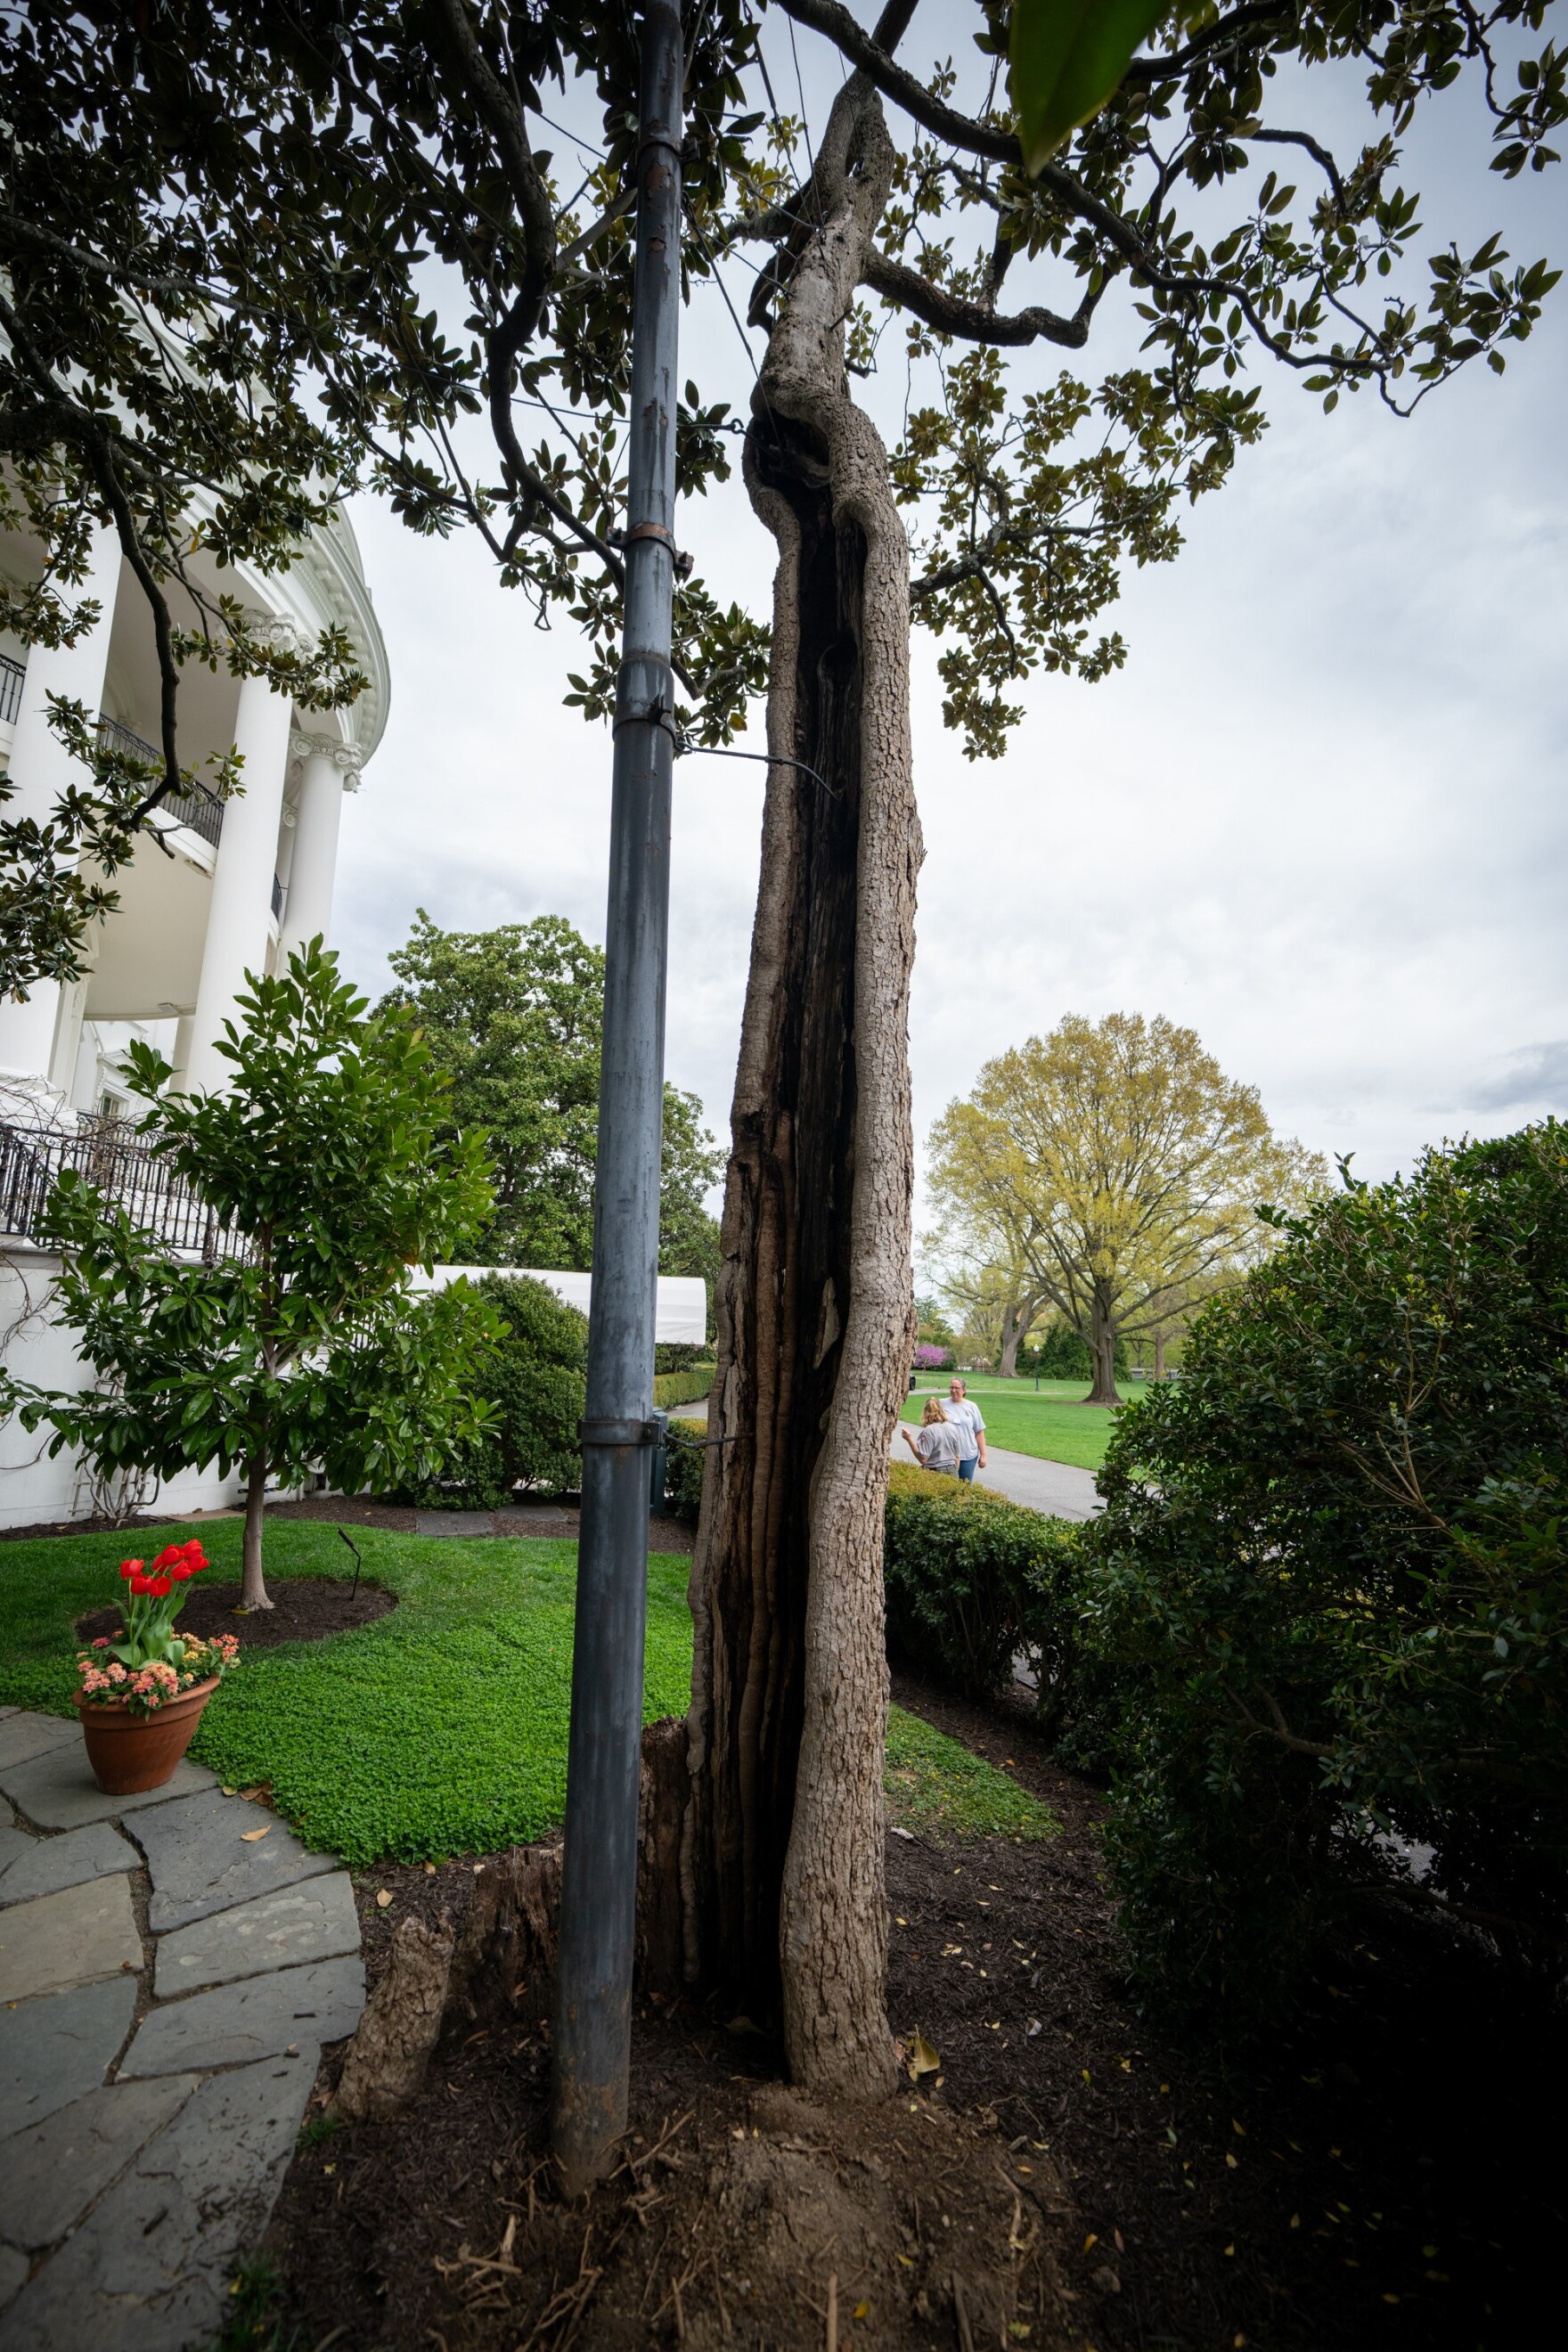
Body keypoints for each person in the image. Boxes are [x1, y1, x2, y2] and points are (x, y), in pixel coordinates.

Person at [902, 1394, 963, 1476]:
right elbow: (957, 1457)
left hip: (936, 1472)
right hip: (953, 1471)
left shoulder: (929, 1431)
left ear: (925, 1411)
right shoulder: (952, 1428)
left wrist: (909, 1439)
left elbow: (923, 1458)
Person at [943, 1376, 987, 1482]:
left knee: (964, 1486)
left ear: (964, 1390)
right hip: (947, 1454)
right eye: (951, 1387)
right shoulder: (941, 1404)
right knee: (947, 1486)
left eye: (957, 1388)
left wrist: (983, 1455)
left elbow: (979, 1432)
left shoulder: (972, 1406)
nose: (953, 1390)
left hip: (967, 1455)